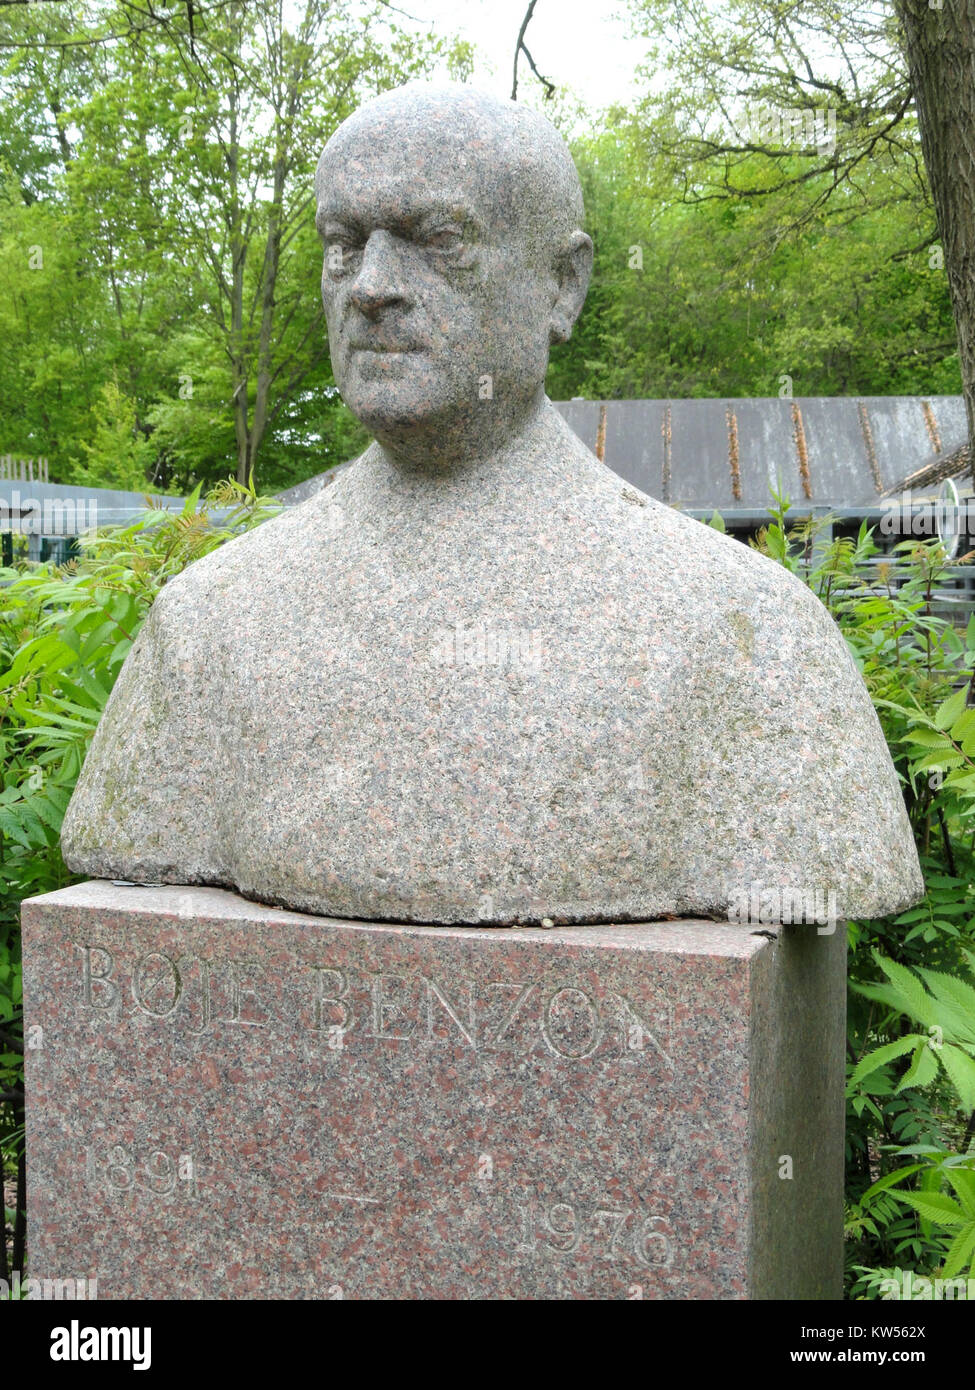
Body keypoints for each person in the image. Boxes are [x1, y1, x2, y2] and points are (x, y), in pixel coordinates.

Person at [61, 84, 922, 926]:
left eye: (438, 240)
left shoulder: (746, 635)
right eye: (343, 241)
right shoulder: (207, 623)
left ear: (563, 286)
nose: (370, 286)